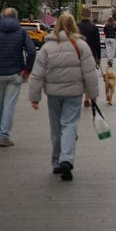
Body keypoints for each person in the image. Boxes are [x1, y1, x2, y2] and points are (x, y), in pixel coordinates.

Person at [29, 13, 99, 181]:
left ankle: (56, 162)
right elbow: (90, 72)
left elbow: (37, 74)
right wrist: (92, 94)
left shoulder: (47, 47)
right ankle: (66, 158)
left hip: (53, 93)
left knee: (56, 128)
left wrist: (34, 96)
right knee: (69, 125)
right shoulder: (81, 45)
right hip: (74, 93)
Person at [0, 7, 36, 146]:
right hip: (15, 72)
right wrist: (27, 69)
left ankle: (1, 132)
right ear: (16, 17)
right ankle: (4, 135)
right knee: (9, 105)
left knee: (0, 105)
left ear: (2, 17)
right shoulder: (21, 32)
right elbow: (31, 51)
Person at [78, 8, 101, 106]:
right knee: (89, 78)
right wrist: (98, 58)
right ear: (90, 15)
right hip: (90, 55)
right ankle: (87, 98)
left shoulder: (76, 27)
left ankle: (77, 97)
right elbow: (97, 44)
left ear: (81, 15)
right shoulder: (94, 28)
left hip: (77, 55)